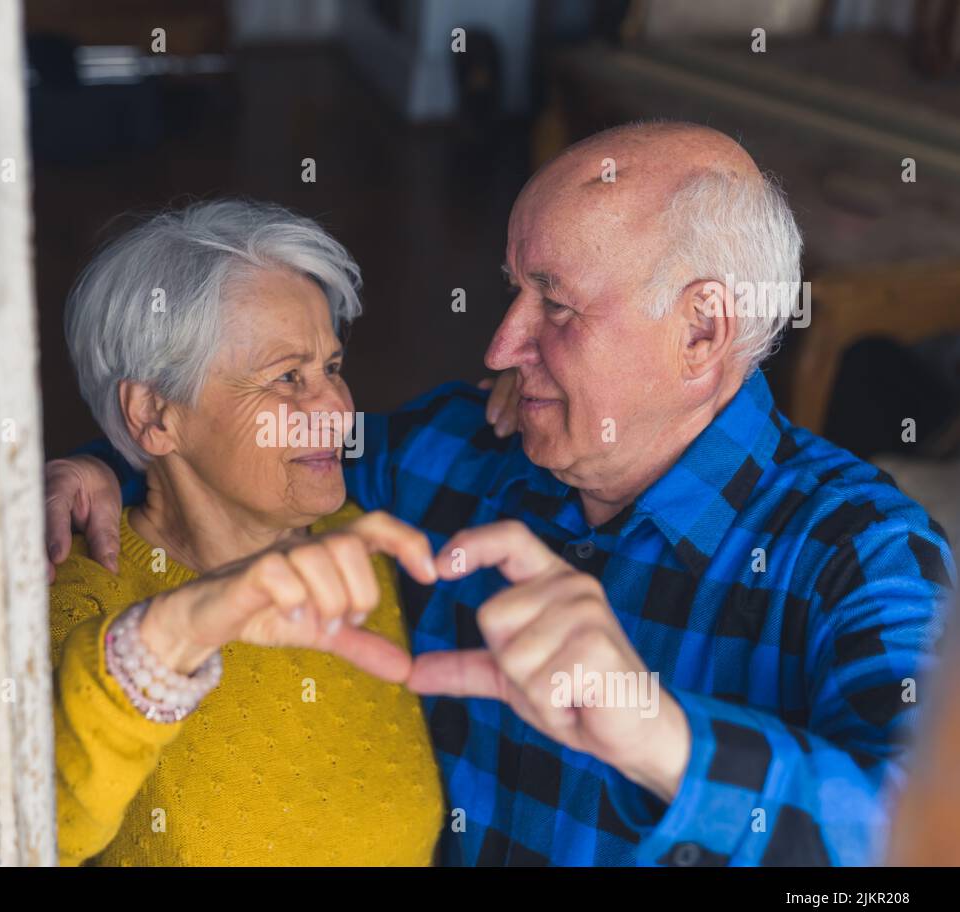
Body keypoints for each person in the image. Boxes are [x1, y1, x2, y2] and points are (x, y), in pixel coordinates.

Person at [46, 122, 955, 865]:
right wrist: (97, 469)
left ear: (701, 330)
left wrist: (664, 737)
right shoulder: (462, 452)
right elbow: (243, 456)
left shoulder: (860, 552)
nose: (500, 346)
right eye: (513, 290)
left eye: (554, 305)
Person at [50, 198, 444, 865]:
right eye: (287, 377)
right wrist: (164, 642)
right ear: (154, 414)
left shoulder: (358, 545)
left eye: (332, 368)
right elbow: (32, 833)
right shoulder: (81, 596)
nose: (338, 409)